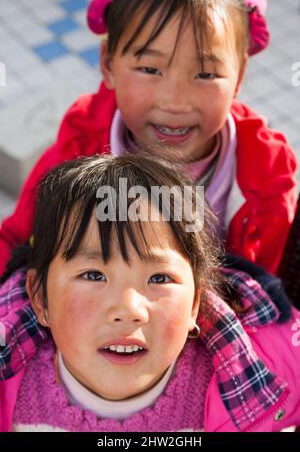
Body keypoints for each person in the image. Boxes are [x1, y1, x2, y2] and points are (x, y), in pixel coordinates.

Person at [0, 0, 297, 277]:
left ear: (240, 75)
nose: (175, 102)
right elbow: (15, 242)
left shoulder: (266, 176)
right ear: (108, 64)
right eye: (150, 69)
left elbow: (264, 288)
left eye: (205, 74)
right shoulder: (78, 149)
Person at [0, 154, 299, 432]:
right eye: (93, 275)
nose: (129, 309)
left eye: (159, 277)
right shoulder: (10, 380)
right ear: (41, 298)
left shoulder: (268, 377)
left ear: (195, 303)